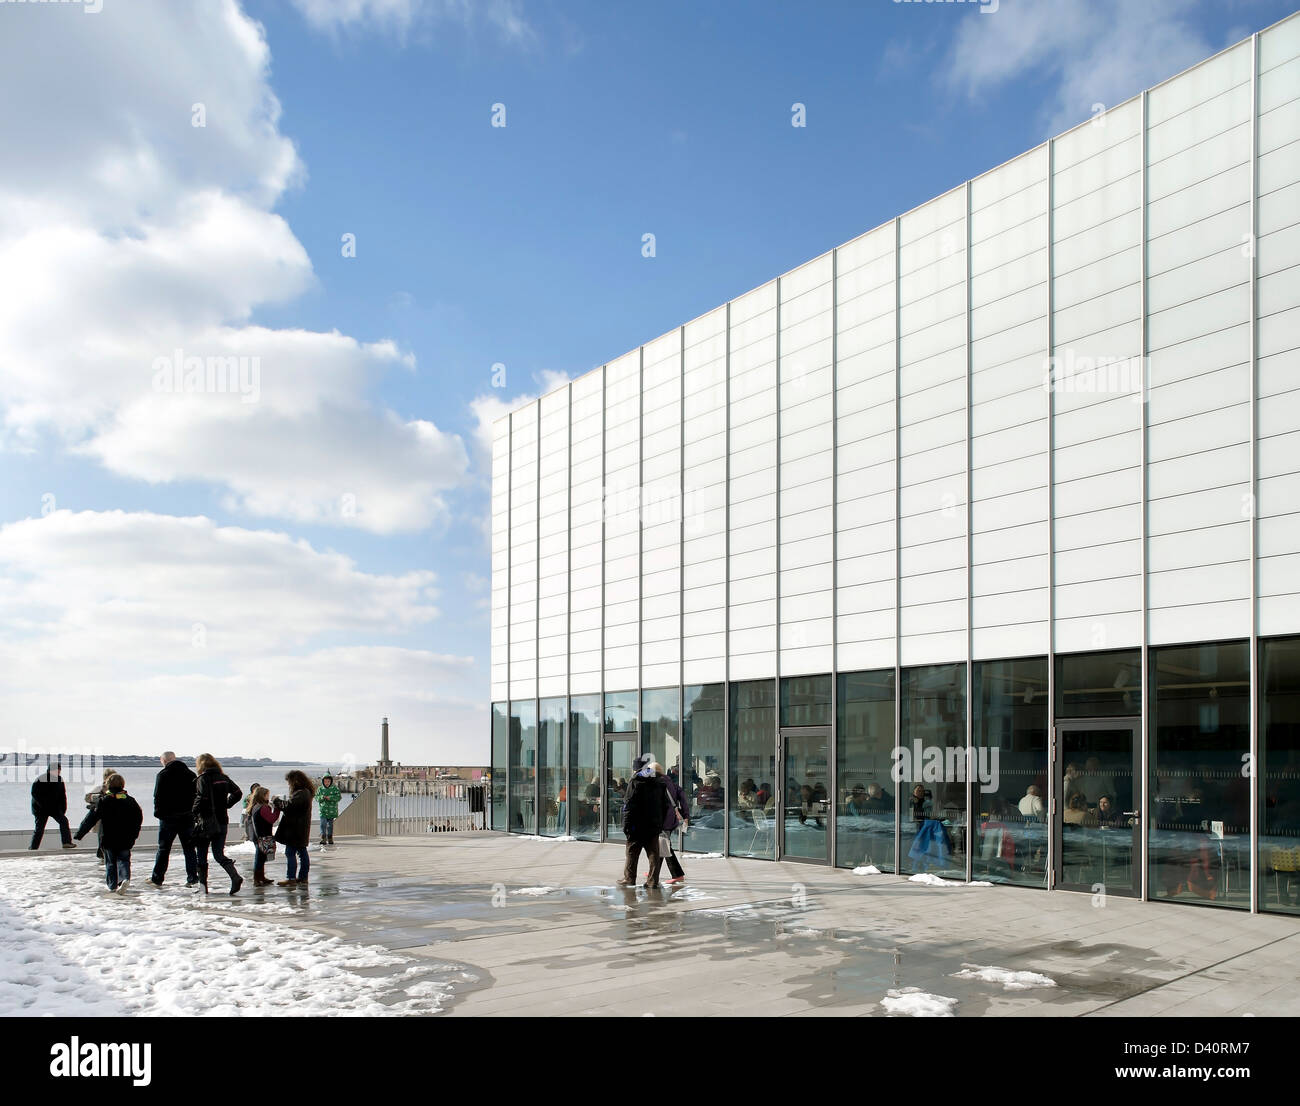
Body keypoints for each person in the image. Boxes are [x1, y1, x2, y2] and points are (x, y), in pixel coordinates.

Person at [74, 773, 143, 893]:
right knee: (124, 860)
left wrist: (80, 833)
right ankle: (124, 879)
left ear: (108, 786)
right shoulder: (130, 801)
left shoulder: (104, 801)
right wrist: (134, 834)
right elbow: (138, 818)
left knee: (110, 862)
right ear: (122, 785)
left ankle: (112, 886)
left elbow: (91, 818)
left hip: (108, 838)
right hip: (126, 838)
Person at [192, 753, 244, 895]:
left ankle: (203, 888)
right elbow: (238, 793)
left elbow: (201, 798)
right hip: (222, 821)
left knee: (201, 855)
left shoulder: (202, 779)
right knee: (218, 854)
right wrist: (227, 804)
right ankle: (235, 876)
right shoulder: (224, 778)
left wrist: (193, 812)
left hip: (206, 822)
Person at [619, 754, 670, 889]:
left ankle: (629, 879)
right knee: (653, 854)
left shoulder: (635, 781)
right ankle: (652, 881)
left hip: (637, 825)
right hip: (653, 825)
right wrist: (660, 822)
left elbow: (629, 804)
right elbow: (665, 805)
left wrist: (627, 826)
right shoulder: (659, 782)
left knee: (632, 853)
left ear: (636, 769)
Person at [150, 751, 199, 887]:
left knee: (163, 849)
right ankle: (192, 878)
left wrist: (158, 813)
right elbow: (196, 796)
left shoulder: (163, 775)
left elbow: (157, 796)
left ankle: (157, 878)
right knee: (189, 849)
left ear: (164, 761)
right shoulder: (190, 774)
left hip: (168, 818)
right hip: (187, 817)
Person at [274, 770, 316, 887]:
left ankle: (291, 878)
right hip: (300, 829)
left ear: (295, 781)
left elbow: (289, 806)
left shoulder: (301, 793)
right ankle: (303, 877)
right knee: (302, 853)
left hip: (295, 829)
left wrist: (276, 800)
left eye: (289, 782)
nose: (289, 785)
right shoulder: (306, 792)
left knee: (290, 853)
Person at [656, 762, 689, 885]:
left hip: (662, 820)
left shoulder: (658, 784)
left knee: (664, 845)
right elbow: (683, 800)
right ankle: (654, 871)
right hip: (670, 819)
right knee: (661, 845)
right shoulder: (672, 783)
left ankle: (677, 874)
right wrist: (686, 815)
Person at [29, 764, 76, 850]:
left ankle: (66, 842)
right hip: (41, 809)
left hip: (54, 808)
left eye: (59, 770)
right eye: (56, 770)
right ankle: (33, 847)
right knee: (39, 828)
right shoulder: (41, 779)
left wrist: (63, 809)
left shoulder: (59, 780)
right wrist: (43, 805)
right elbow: (35, 794)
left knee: (64, 821)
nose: (58, 772)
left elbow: (63, 796)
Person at [247, 786, 279, 887]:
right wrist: (277, 809)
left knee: (260, 856)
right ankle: (257, 878)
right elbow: (272, 819)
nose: (268, 797)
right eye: (267, 795)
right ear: (262, 796)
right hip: (263, 835)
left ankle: (260, 877)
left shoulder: (255, 806)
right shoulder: (263, 807)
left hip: (257, 835)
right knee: (260, 857)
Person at [84, 768, 115, 860]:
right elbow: (88, 798)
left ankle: (104, 854)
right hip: (102, 817)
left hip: (112, 817)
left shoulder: (116, 788)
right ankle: (102, 853)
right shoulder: (99, 788)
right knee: (102, 836)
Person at [316, 773, 341, 847]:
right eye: (325, 781)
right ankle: (323, 838)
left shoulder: (335, 788)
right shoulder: (320, 789)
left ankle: (330, 837)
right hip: (323, 810)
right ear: (323, 781)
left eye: (328, 781)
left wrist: (330, 798)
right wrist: (322, 797)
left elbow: (339, 797)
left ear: (331, 781)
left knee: (330, 825)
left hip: (332, 810)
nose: (327, 783)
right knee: (323, 824)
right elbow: (316, 798)